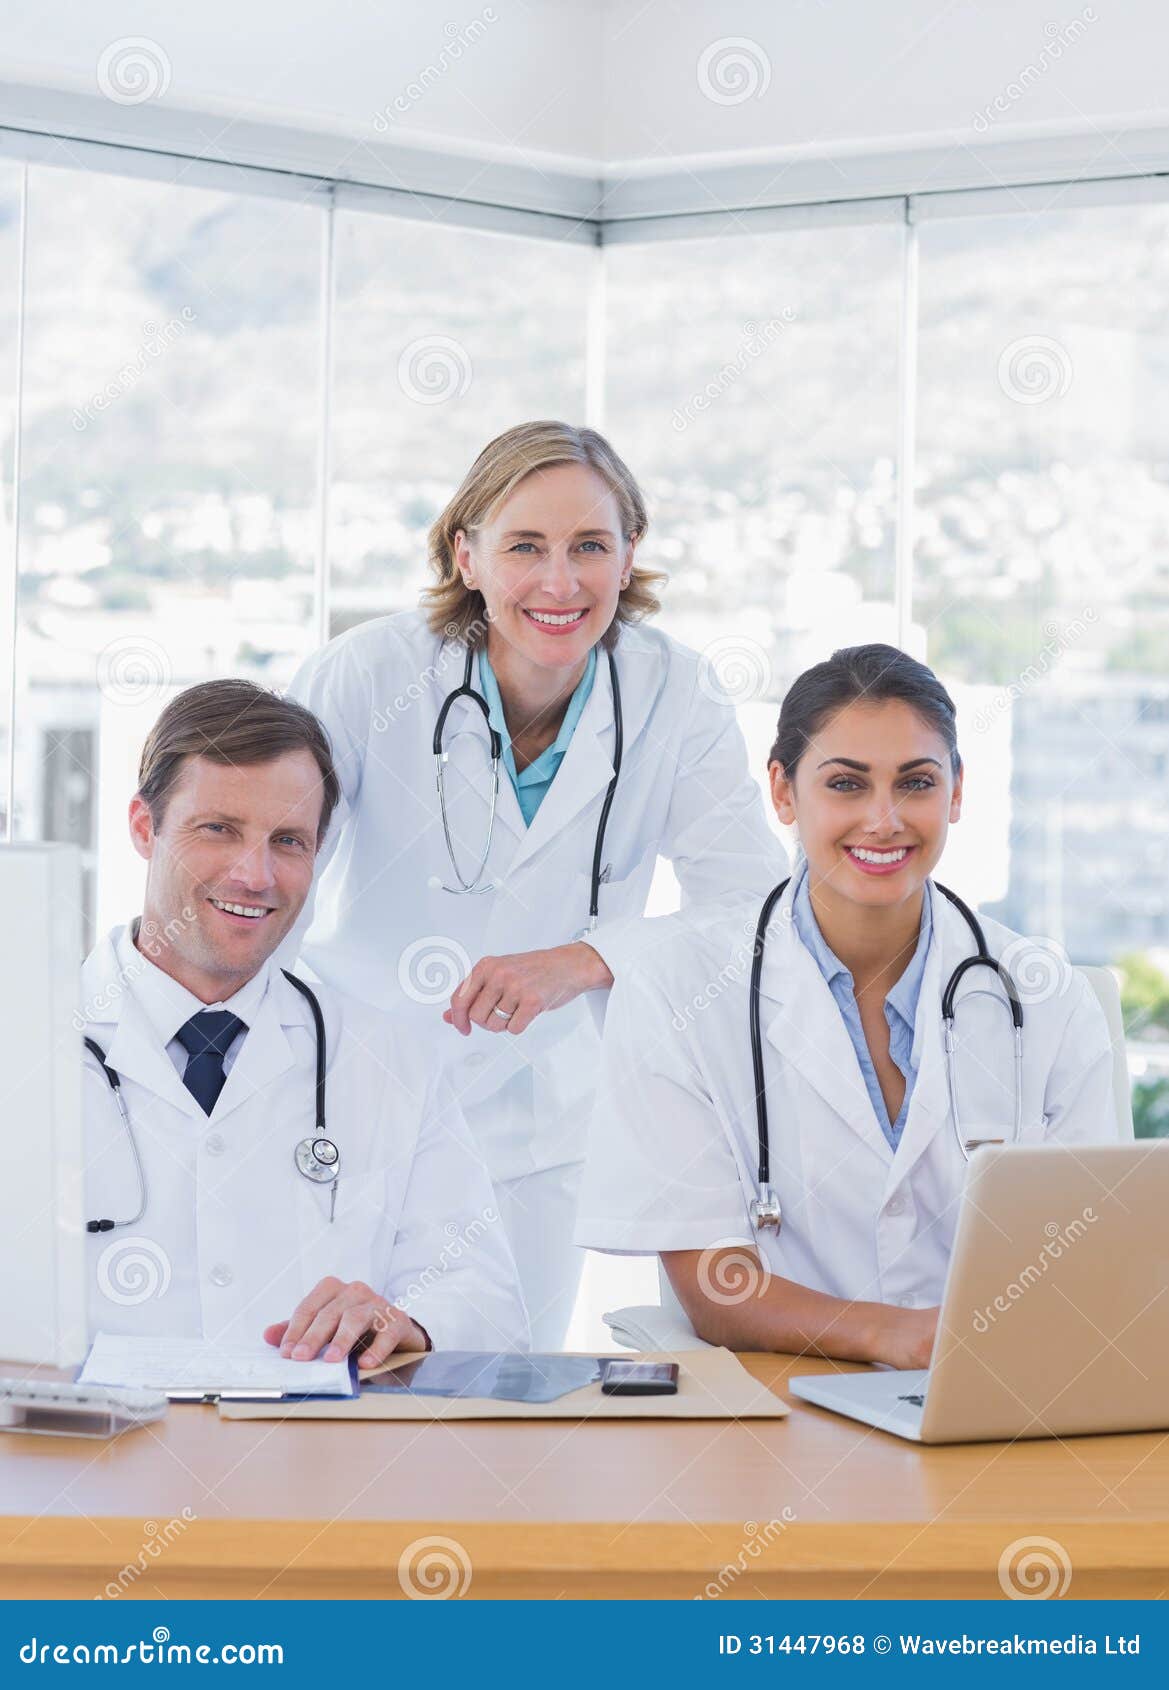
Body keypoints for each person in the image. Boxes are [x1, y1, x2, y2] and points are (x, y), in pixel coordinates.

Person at [287, 420, 787, 1346]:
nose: (560, 583)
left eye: (589, 546)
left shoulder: (674, 693)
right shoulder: (368, 676)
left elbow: (753, 907)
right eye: (524, 547)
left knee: (500, 1394)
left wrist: (586, 960)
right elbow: (274, 873)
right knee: (337, 1382)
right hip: (355, 1104)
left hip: (538, 1127)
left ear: (629, 555)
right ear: (465, 554)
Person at [575, 644, 1128, 1369]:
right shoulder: (676, 989)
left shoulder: (1045, 997)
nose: (883, 819)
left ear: (956, 792)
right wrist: (893, 1335)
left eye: (916, 783)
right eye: (845, 784)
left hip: (997, 1390)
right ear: (782, 792)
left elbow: (1089, 1254)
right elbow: (714, 1288)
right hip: (776, 1399)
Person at [80, 680, 527, 1368]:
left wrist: (409, 1320)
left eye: (288, 841)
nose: (255, 874)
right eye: (218, 829)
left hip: (314, 1436)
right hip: (86, 1435)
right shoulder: (29, 1040)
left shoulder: (385, 1057)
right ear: (144, 828)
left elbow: (489, 1300)